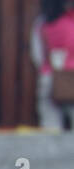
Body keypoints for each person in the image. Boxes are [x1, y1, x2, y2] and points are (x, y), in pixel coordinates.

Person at [36, 0, 74, 130]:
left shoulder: (43, 23)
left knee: (50, 121)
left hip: (49, 75)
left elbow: (37, 53)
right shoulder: (70, 22)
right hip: (70, 75)